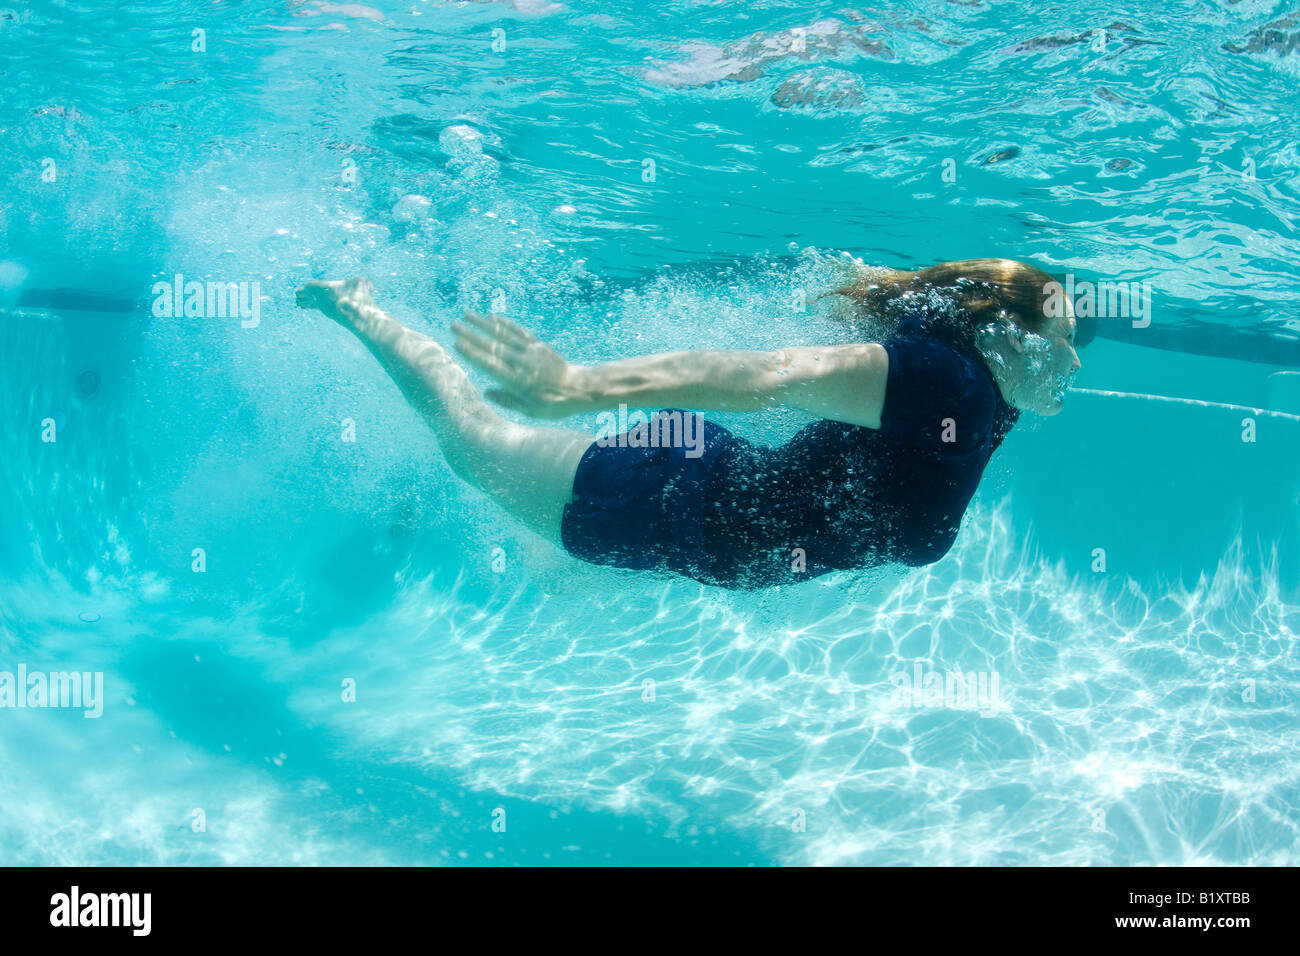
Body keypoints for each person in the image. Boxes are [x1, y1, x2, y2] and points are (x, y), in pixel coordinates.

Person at [295, 257, 1080, 589]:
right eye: (1063, 342)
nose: (1074, 364)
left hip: (702, 510)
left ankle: (493, 510)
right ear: (998, 334)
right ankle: (357, 309)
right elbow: (766, 376)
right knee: (471, 441)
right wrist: (576, 385)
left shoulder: (987, 407)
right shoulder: (947, 386)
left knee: (547, 551)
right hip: (670, 501)